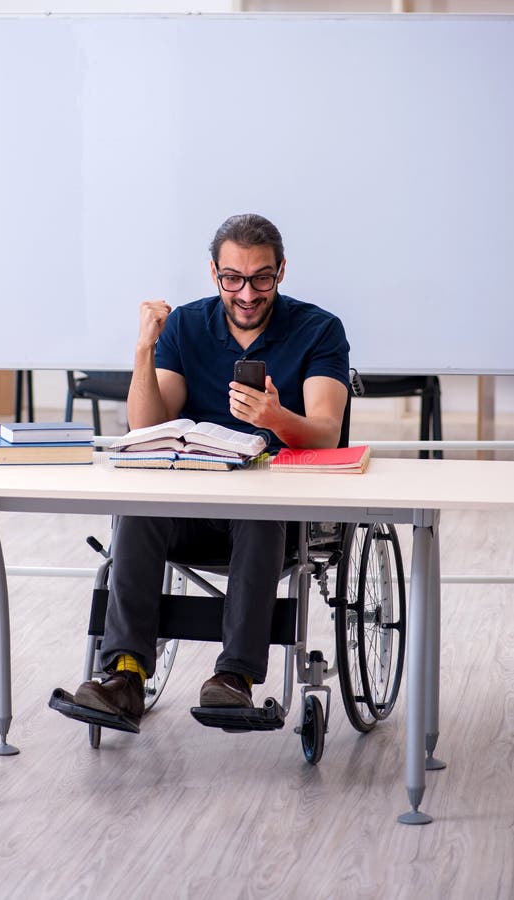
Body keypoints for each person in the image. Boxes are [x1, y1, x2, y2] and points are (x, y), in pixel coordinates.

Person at [73, 213, 350, 728]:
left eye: (261, 278)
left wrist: (275, 419)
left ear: (282, 272)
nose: (247, 293)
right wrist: (143, 349)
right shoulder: (187, 325)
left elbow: (327, 432)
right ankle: (125, 678)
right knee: (137, 509)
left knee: (259, 509)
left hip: (273, 520)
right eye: (233, 279)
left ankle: (234, 679)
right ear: (214, 274)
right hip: (192, 510)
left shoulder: (318, 330)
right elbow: (146, 426)